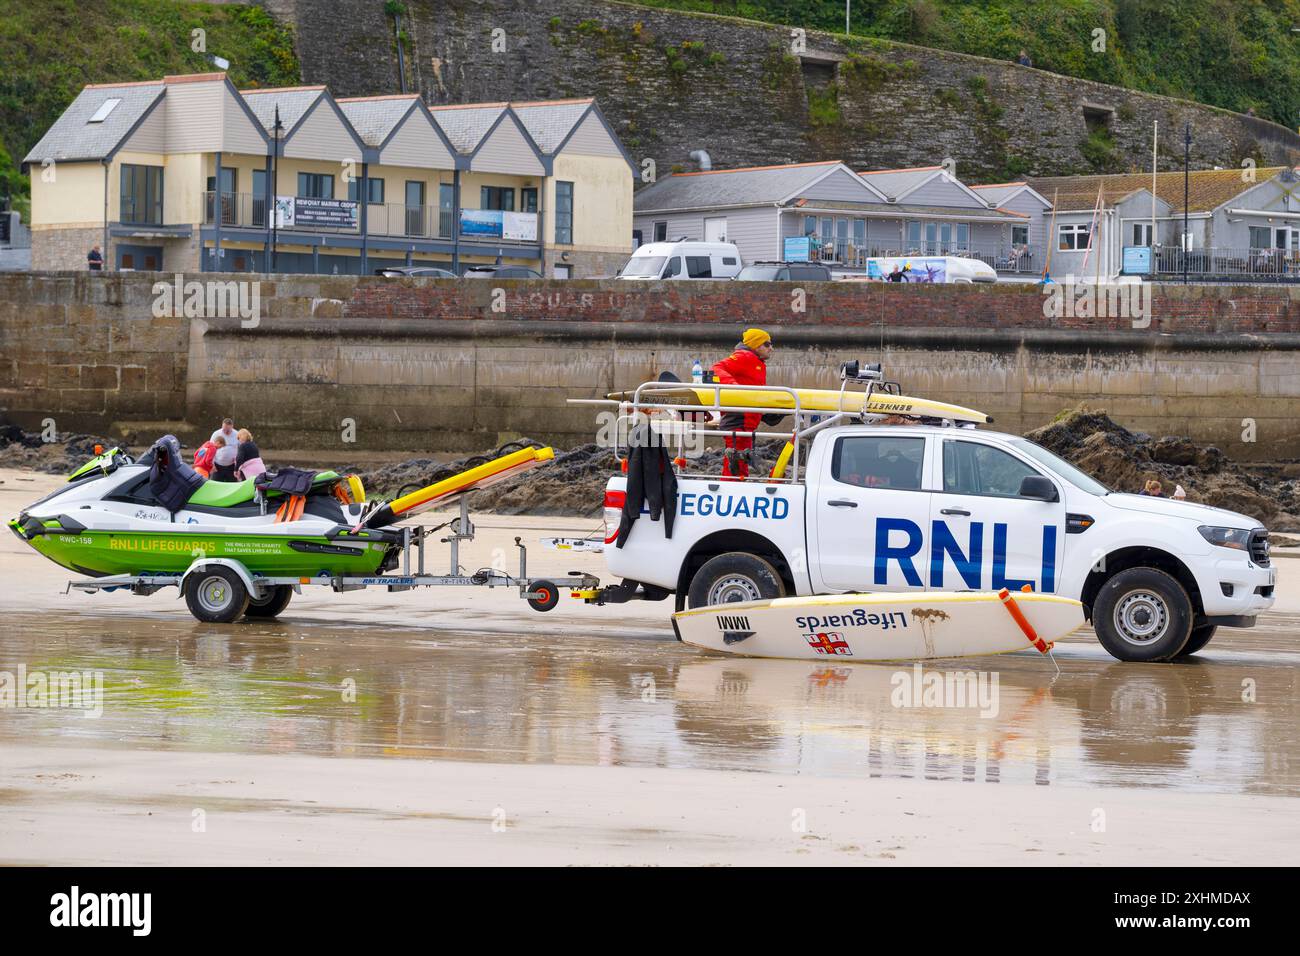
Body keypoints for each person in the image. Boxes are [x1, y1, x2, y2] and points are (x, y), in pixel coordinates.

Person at [711, 328, 772, 479]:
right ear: (756, 345)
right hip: (738, 420)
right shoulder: (744, 356)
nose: (771, 348)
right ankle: (731, 490)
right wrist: (733, 385)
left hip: (746, 421)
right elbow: (717, 368)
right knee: (736, 463)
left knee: (739, 462)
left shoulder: (756, 362)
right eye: (767, 344)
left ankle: (734, 487)